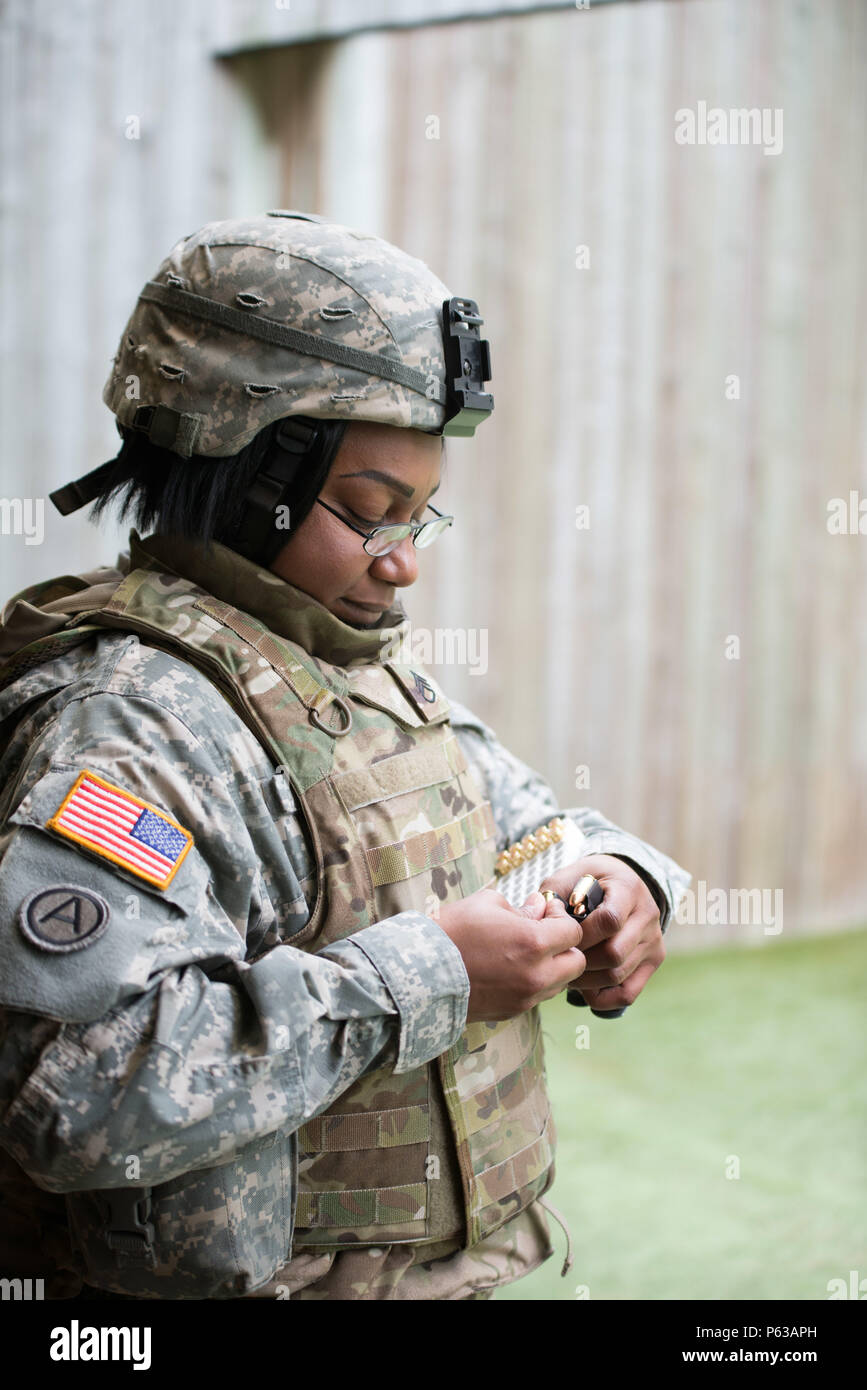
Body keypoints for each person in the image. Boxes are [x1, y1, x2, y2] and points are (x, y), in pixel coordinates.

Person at [0, 212, 690, 1301]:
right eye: (371, 513)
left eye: (423, 516)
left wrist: (625, 883)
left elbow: (538, 826)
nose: (405, 563)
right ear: (249, 470)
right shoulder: (131, 723)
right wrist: (434, 975)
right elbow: (76, 1099)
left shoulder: (340, 661)